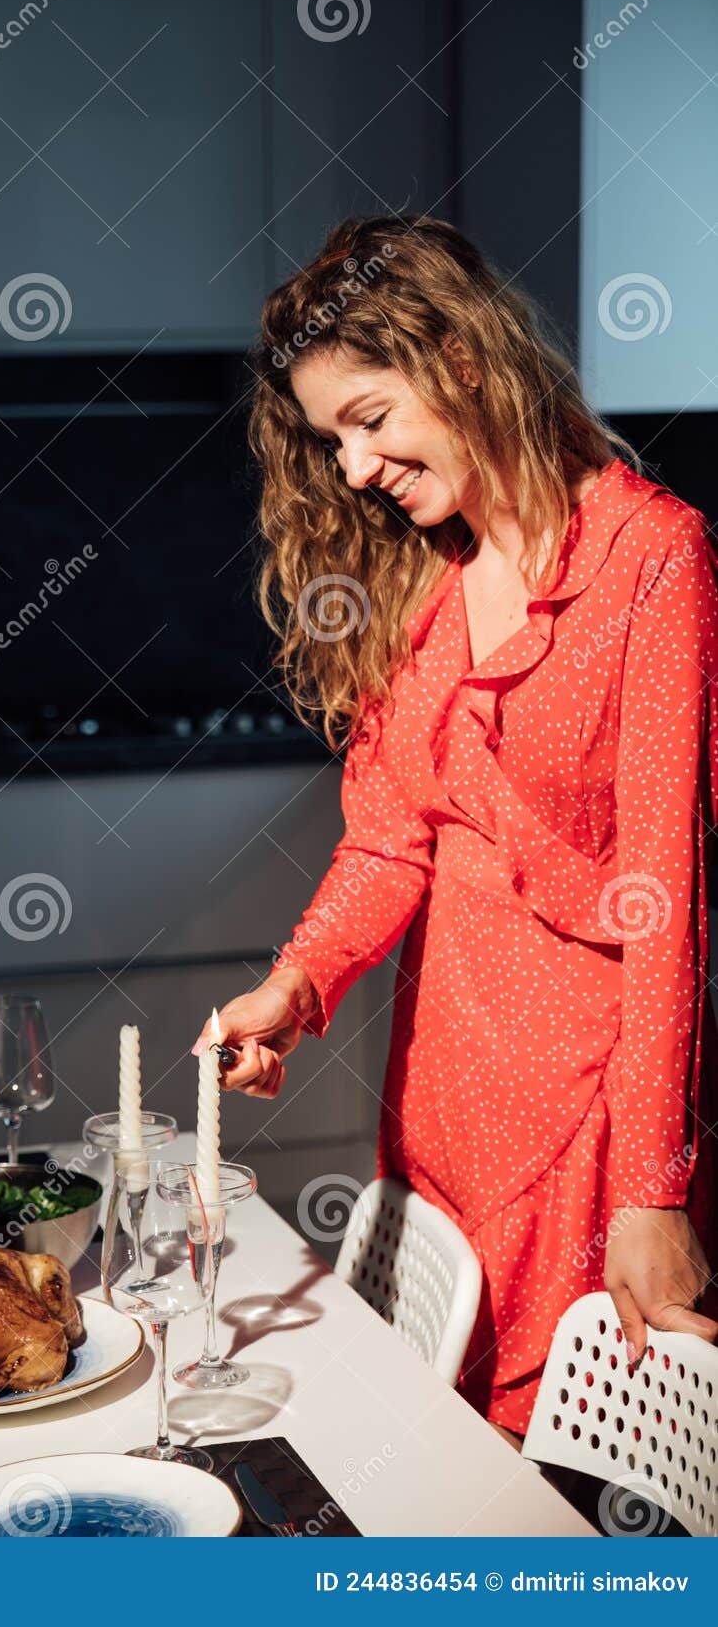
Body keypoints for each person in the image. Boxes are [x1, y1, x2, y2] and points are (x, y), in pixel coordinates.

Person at [192, 213, 718, 1446]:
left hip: (587, 1126)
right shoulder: (421, 573)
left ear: (461, 362)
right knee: (432, 1466)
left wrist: (649, 1188)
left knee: (557, 1508)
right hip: (433, 1112)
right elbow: (389, 841)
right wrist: (299, 981)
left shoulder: (653, 558)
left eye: (368, 419)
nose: (353, 466)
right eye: (333, 441)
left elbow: (666, 897)